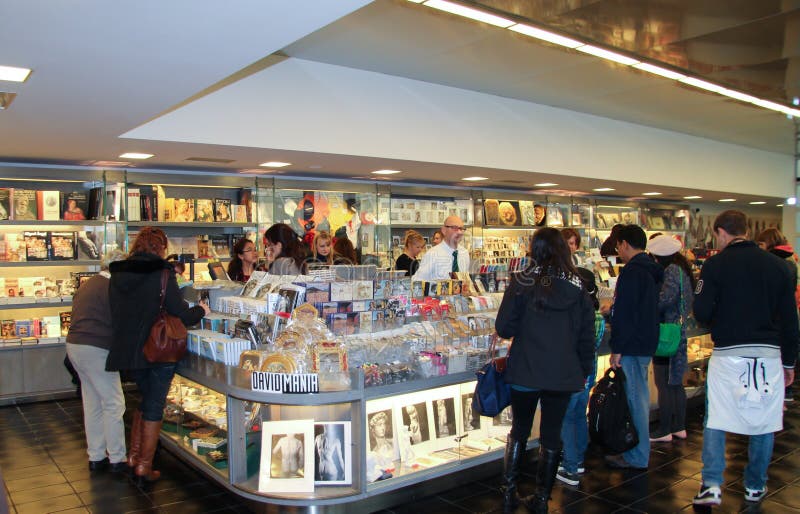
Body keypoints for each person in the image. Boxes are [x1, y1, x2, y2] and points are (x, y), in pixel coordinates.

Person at [692, 211, 798, 506]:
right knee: (764, 420)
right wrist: (790, 363)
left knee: (716, 418)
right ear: (747, 231)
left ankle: (711, 483)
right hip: (768, 355)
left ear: (720, 233)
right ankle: (755, 483)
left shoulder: (715, 265)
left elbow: (700, 311)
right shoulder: (779, 268)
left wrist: (719, 318)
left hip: (728, 353)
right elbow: (791, 321)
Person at [495, 227, 596, 513]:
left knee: (519, 430)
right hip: (562, 374)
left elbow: (504, 327)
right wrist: (585, 369)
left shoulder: (522, 281)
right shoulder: (578, 285)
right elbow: (586, 335)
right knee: (552, 434)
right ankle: (541, 499)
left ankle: (508, 493)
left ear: (535, 250)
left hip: (526, 369)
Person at [106, 226, 209, 485]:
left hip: (128, 350)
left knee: (144, 400)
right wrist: (200, 311)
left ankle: (133, 457)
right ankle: (143, 466)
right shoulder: (162, 272)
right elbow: (178, 310)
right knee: (154, 404)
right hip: (158, 348)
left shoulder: (118, 272)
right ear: (161, 247)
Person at [605, 224, 663, 470]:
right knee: (639, 396)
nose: (618, 251)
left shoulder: (632, 272)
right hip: (646, 341)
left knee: (636, 399)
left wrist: (617, 347)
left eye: (619, 246)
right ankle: (637, 451)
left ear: (625, 244)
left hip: (632, 345)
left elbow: (626, 313)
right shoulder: (653, 270)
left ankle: (638, 454)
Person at [66, 249, 128, 473]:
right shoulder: (114, 288)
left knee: (92, 401)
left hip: (75, 345)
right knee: (114, 403)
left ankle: (96, 455)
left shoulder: (89, 283)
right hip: (97, 348)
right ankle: (118, 459)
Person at [556, 228, 601, 486]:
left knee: (567, 412)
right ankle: (579, 459)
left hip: (573, 365)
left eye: (574, 243)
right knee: (577, 412)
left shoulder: (575, 308)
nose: (571, 248)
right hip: (586, 364)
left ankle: (570, 464)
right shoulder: (593, 313)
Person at [647, 235, 694, 443]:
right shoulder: (682, 271)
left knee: (664, 382)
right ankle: (678, 425)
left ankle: (665, 427)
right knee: (675, 382)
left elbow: (663, 301)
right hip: (678, 332)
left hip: (666, 334)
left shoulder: (671, 272)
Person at [756, 227, 799, 403]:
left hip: (778, 316)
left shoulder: (778, 263)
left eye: (761, 243)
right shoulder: (790, 260)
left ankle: (780, 394)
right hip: (787, 313)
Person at [413, 216, 470, 281]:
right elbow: (417, 281)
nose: (459, 232)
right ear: (444, 230)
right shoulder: (432, 254)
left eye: (461, 229)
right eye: (454, 228)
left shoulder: (464, 253)